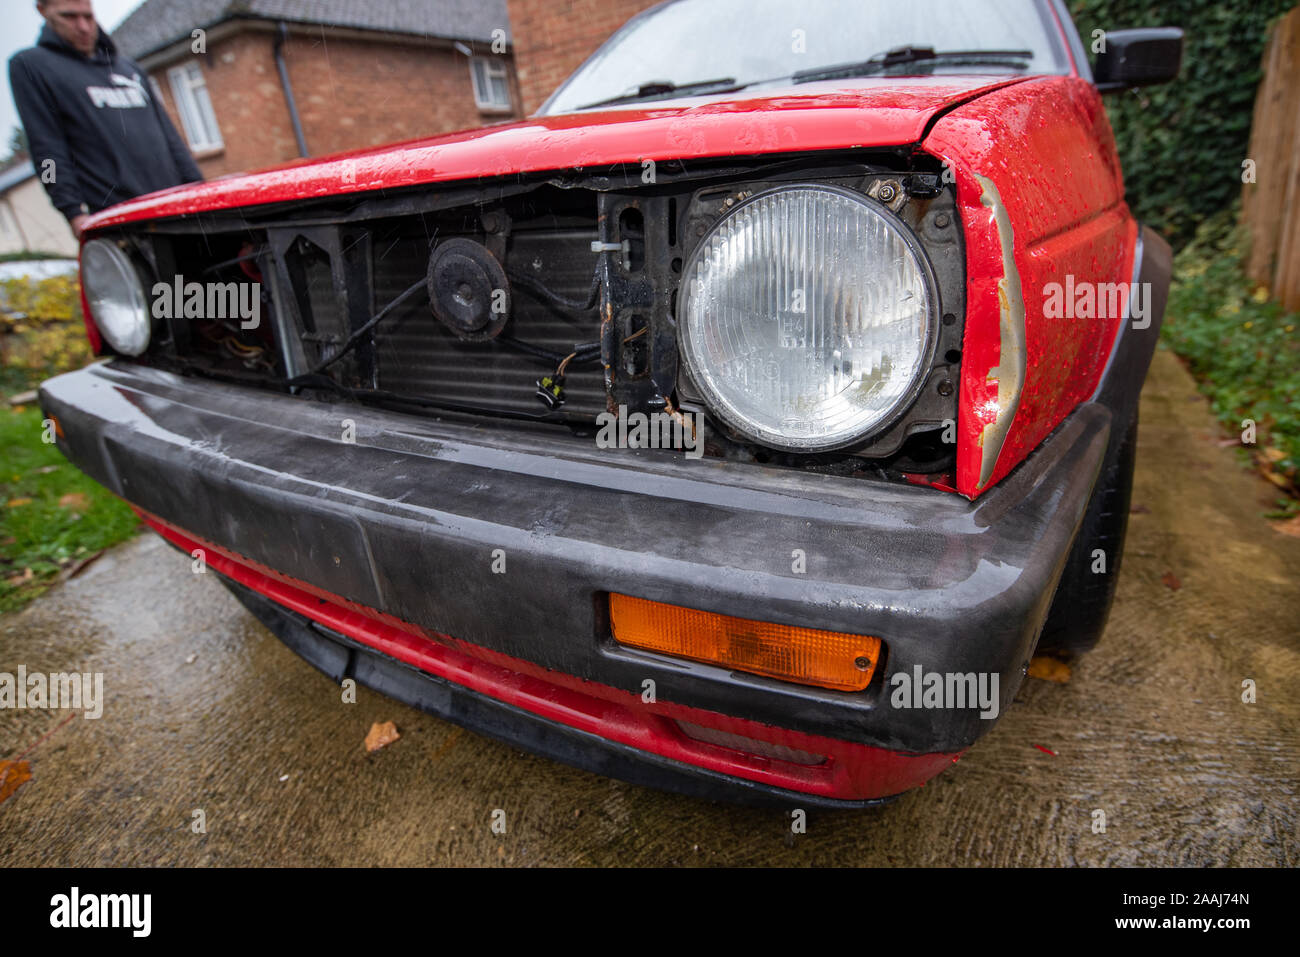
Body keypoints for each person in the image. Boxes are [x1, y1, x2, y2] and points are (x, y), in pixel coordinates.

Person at [9, 0, 202, 239]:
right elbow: (47, 147)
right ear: (43, 11)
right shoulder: (32, 67)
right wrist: (73, 212)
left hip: (177, 206)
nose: (83, 27)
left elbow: (170, 137)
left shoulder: (127, 68)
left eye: (88, 17)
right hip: (119, 220)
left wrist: (198, 187)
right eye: (69, 17)